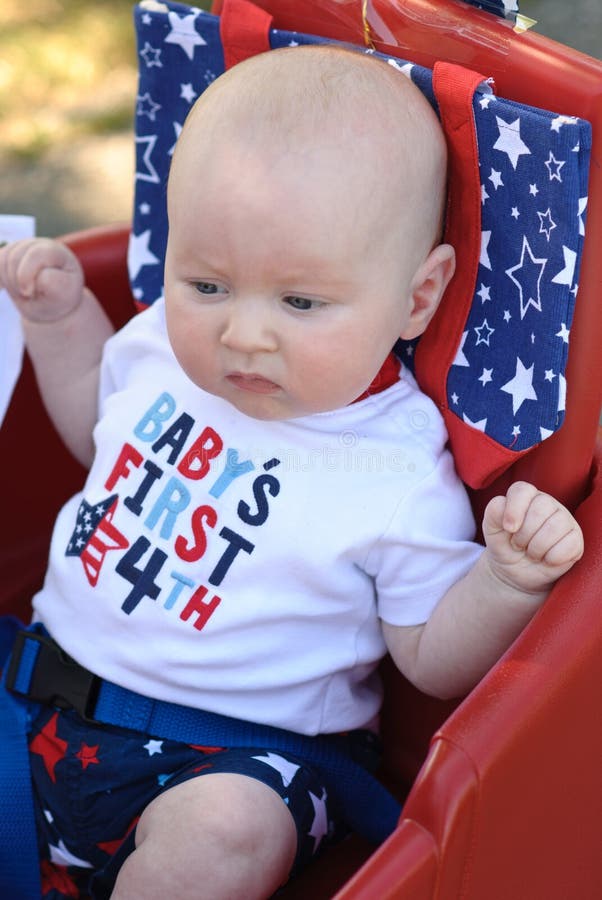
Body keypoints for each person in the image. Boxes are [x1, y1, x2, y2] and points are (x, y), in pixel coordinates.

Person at [0, 45, 583, 900]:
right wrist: (59, 323)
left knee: (226, 840)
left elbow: (427, 654)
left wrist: (506, 580)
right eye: (207, 283)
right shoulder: (165, 343)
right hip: (35, 706)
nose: (242, 334)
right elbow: (99, 433)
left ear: (416, 298)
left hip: (231, 759)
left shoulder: (392, 464)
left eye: (301, 303)